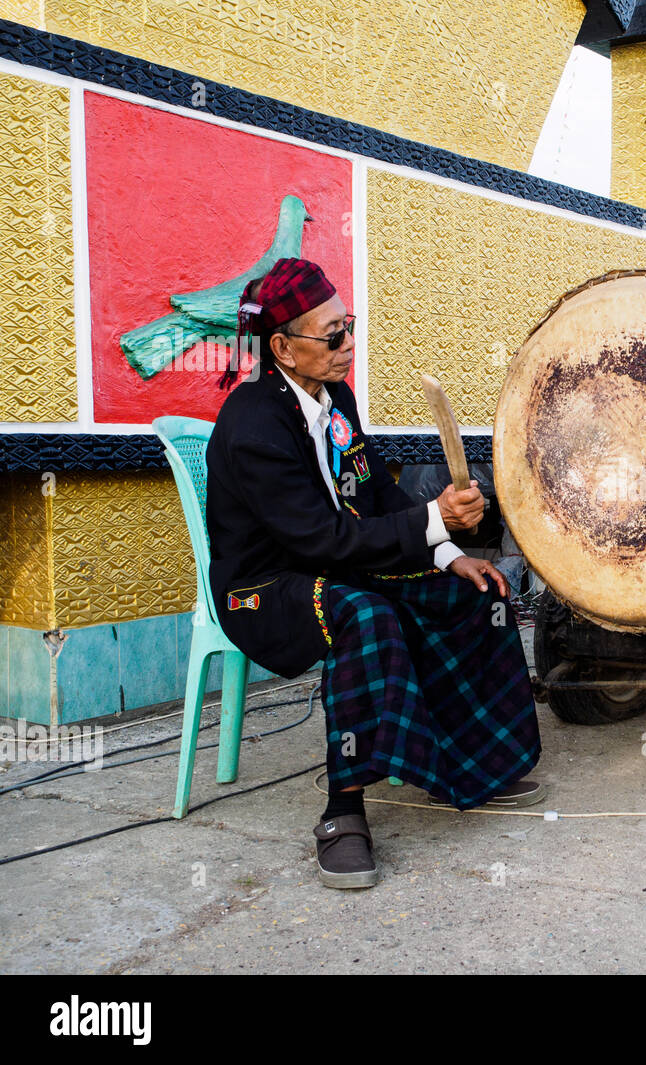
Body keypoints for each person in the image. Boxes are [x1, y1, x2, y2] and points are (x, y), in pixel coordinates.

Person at [205, 257, 542, 890]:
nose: (348, 345)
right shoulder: (253, 422)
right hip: (266, 588)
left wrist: (449, 549)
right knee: (367, 615)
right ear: (282, 346)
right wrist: (434, 518)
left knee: (475, 593)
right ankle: (343, 813)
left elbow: (374, 496)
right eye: (332, 336)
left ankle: (473, 766)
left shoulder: (336, 399)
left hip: (337, 565)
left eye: (349, 327)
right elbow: (317, 536)